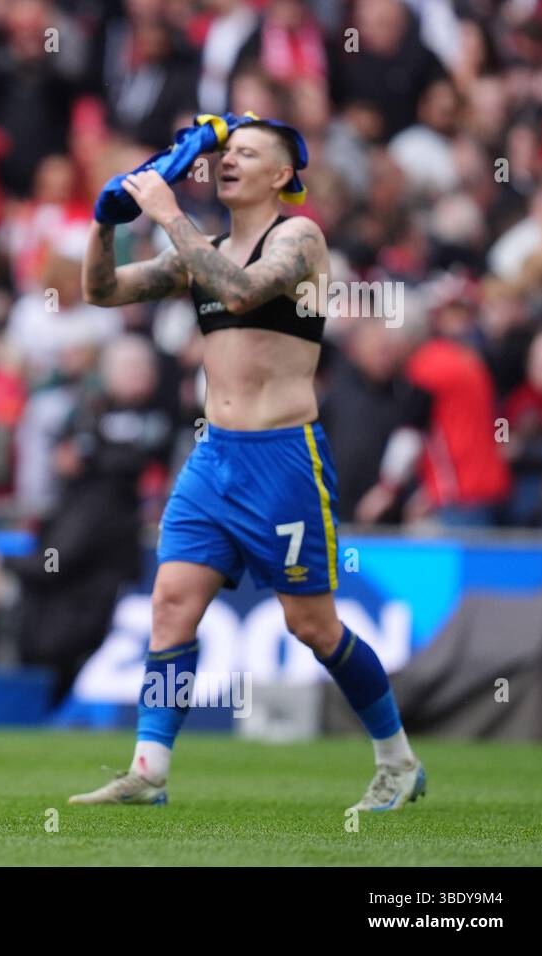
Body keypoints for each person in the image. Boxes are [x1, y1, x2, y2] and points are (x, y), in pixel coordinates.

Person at [71, 119, 425, 812]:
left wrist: (169, 214)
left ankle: (398, 761)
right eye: (226, 154)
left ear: (283, 177)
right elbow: (102, 291)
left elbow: (237, 291)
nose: (229, 161)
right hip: (215, 458)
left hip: (284, 457)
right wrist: (103, 221)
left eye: (249, 154)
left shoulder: (299, 238)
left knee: (312, 626)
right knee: (171, 605)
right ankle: (149, 769)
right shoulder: (202, 249)